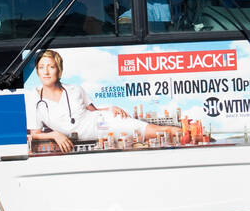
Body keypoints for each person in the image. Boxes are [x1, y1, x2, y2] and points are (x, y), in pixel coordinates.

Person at [28, 49, 180, 153]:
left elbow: (92, 111)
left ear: (58, 70)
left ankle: (191, 139)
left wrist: (110, 108)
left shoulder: (74, 89)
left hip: (103, 123)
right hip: (92, 134)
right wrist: (55, 135)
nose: (46, 72)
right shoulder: (35, 99)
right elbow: (35, 133)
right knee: (159, 132)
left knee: (160, 131)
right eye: (42, 67)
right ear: (37, 71)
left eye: (51, 67)